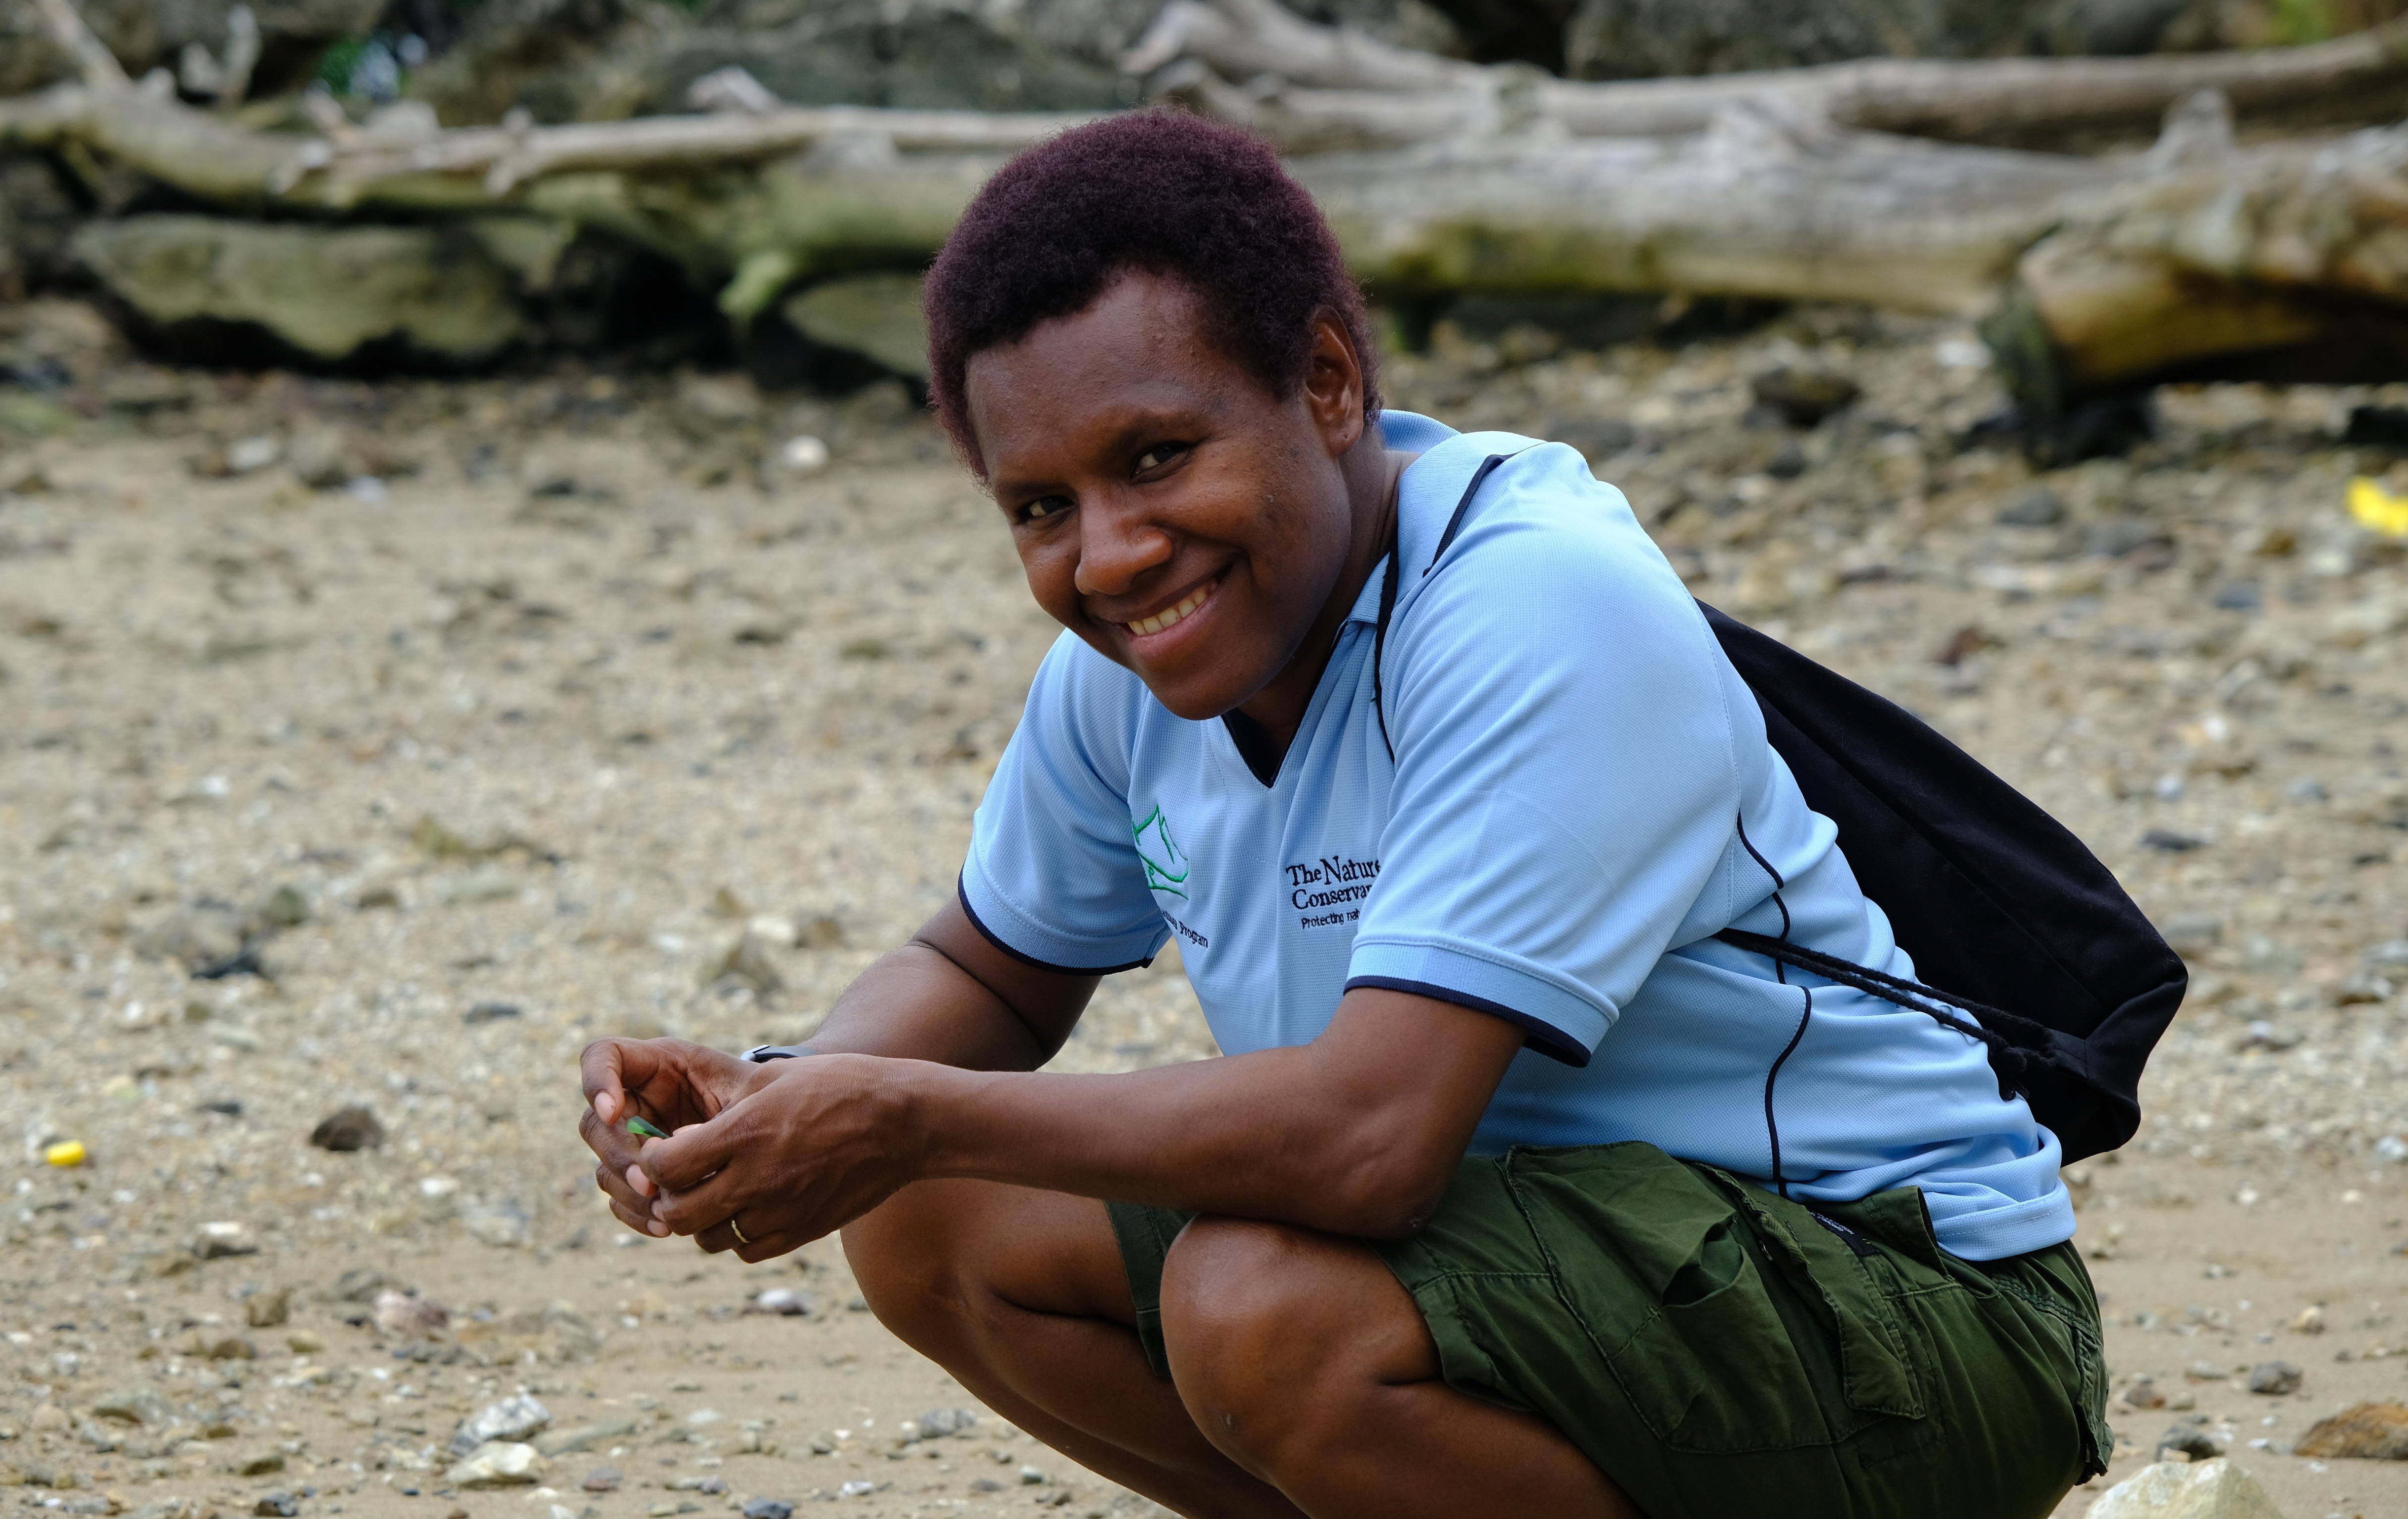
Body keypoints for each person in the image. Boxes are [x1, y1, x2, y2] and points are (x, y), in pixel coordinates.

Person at [578, 110, 2111, 1519]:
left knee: (1256, 1304)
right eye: (1042, 506)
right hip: (1553, 1255)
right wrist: (781, 1094)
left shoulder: (1534, 603)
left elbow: (1371, 1145)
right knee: (927, 1215)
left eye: (1157, 457)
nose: (1110, 556)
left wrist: (898, 1110)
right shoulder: (1133, 662)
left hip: (1910, 1308)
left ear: (1328, 385)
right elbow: (989, 971)